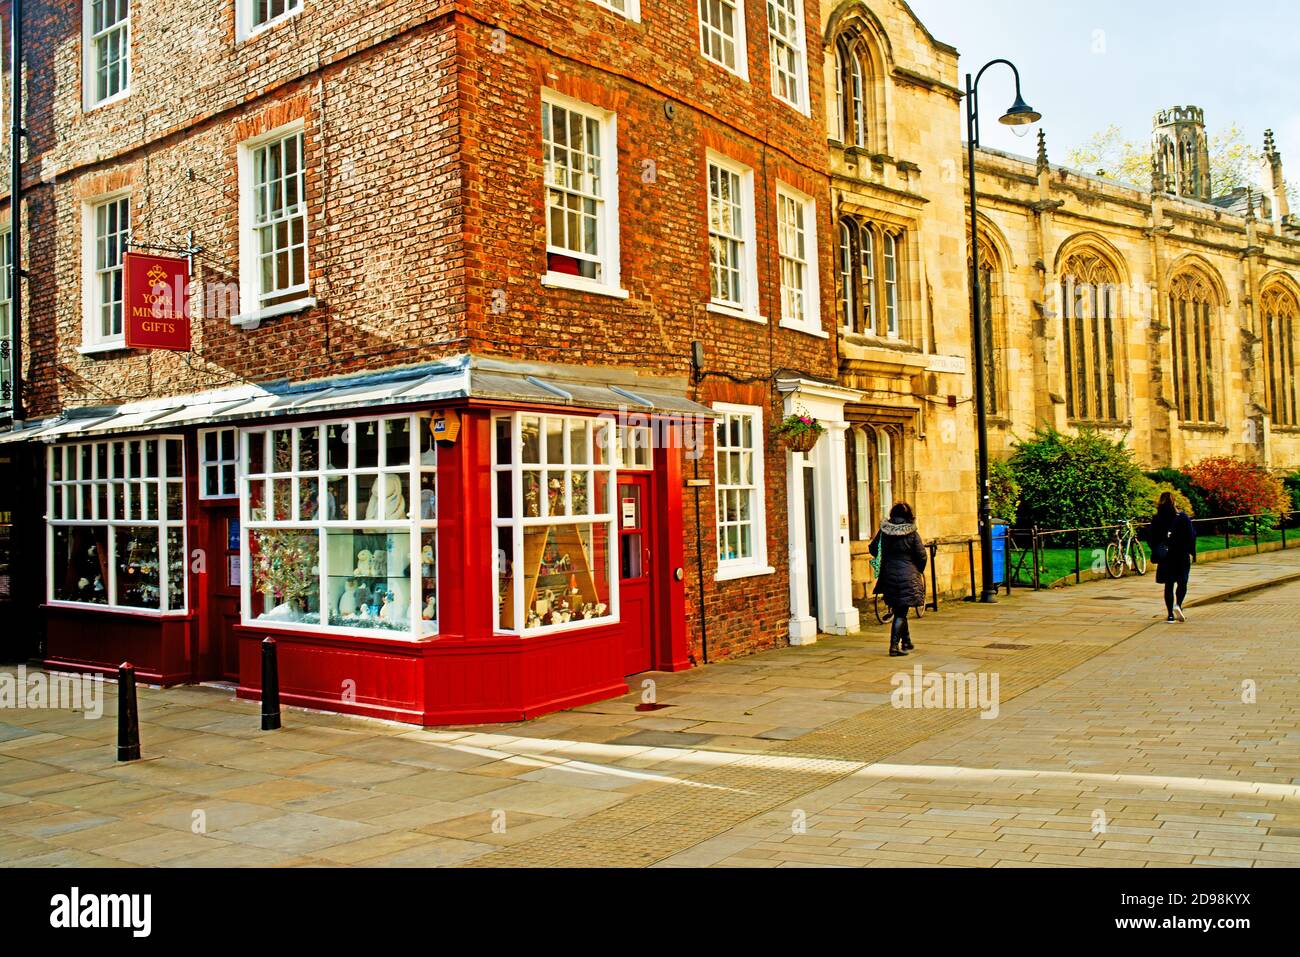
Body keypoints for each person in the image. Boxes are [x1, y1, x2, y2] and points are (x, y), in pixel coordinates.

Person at [869, 502, 928, 657]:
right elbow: (922, 556)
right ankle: (894, 647)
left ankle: (906, 641)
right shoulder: (912, 533)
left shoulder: (884, 532)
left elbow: (873, 548)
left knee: (899, 609)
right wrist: (916, 570)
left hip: (888, 575)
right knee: (901, 613)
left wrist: (885, 559)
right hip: (908, 575)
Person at [1145, 492, 1197, 623]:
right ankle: (1178, 605)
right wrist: (1192, 552)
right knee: (1182, 582)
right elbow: (1191, 536)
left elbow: (1150, 538)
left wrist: (1157, 549)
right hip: (1181, 554)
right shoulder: (1183, 517)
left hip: (1166, 556)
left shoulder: (1157, 519)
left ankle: (1170, 615)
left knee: (1169, 584)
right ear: (1174, 502)